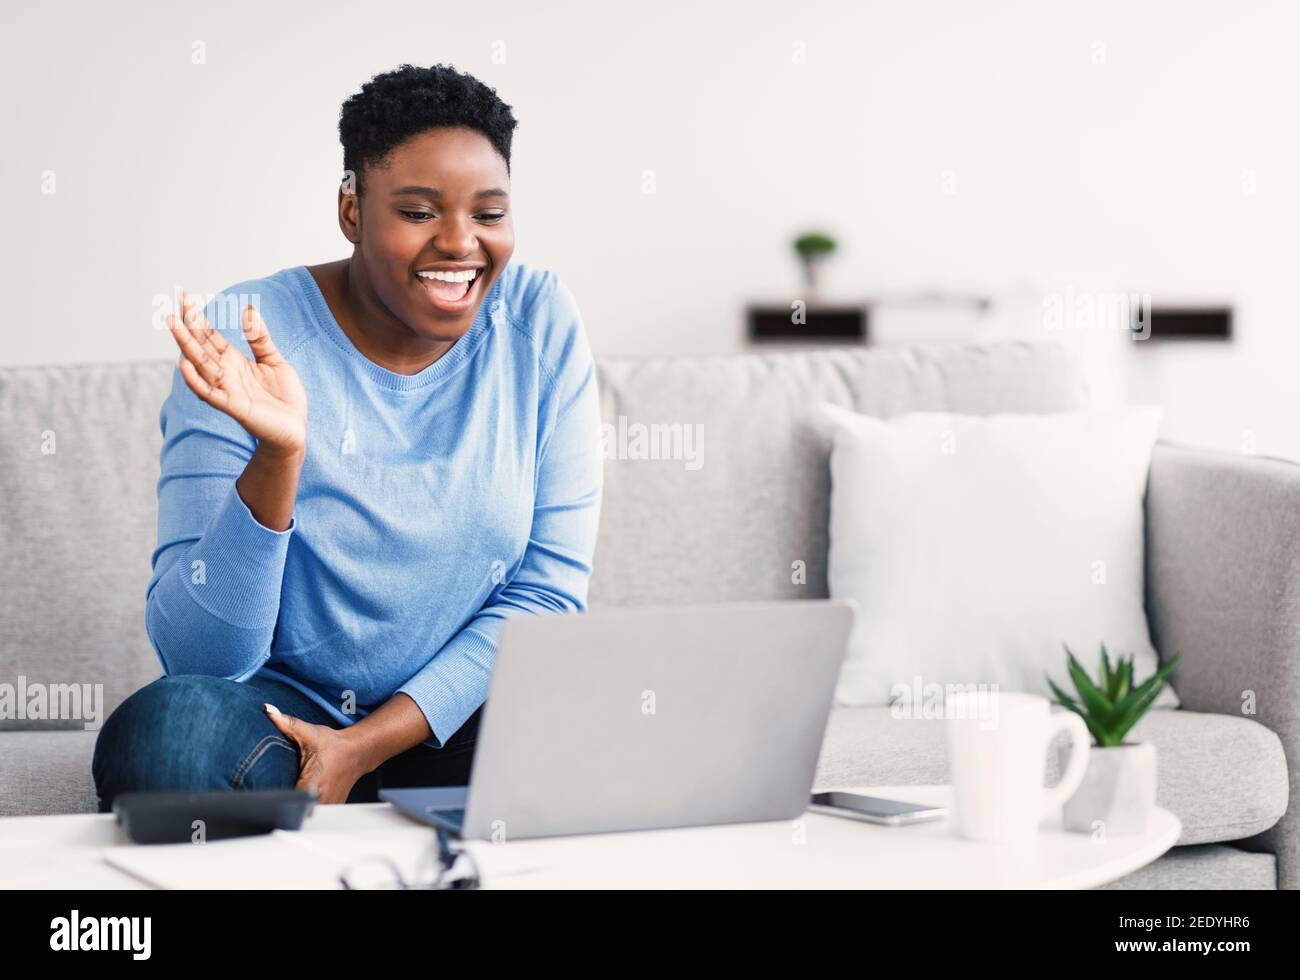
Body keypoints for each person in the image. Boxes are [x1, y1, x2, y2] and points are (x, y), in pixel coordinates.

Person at [92, 64, 602, 808]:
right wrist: (278, 457)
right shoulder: (245, 332)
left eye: (489, 214)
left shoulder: (540, 322)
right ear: (352, 210)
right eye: (420, 212)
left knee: (623, 717)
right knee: (168, 739)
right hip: (276, 723)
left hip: (455, 716)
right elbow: (198, 659)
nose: (460, 245)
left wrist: (362, 748)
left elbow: (548, 593)